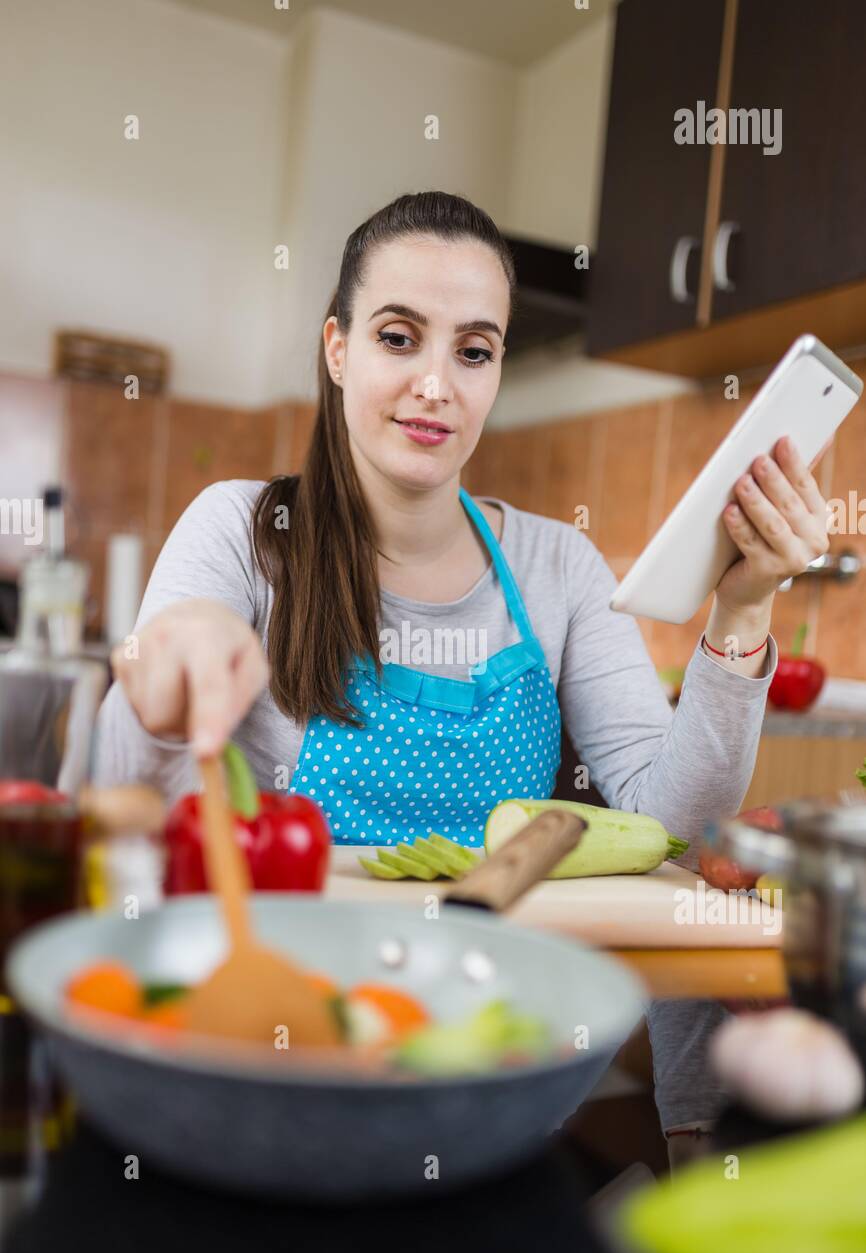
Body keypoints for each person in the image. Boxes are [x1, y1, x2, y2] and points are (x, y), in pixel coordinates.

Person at [95, 191, 831, 1162]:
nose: (435, 384)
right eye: (399, 337)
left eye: (473, 350)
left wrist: (739, 610)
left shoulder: (558, 567)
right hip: (279, 1042)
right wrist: (162, 669)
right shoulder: (242, 530)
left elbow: (674, 822)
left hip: (493, 1058)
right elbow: (118, 800)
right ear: (337, 349)